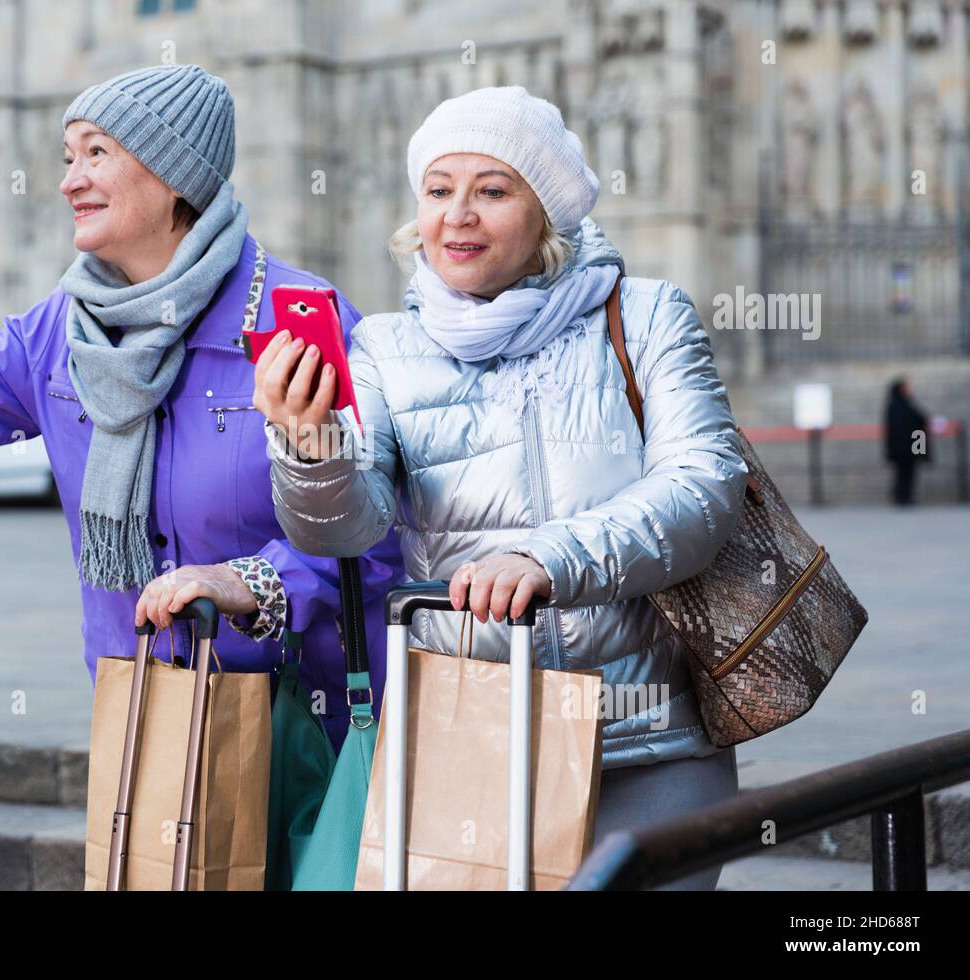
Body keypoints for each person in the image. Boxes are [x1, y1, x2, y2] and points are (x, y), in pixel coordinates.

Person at [0, 63, 402, 752]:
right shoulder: (58, 331)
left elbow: (374, 541)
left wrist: (248, 582)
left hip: (297, 728)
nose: (70, 181)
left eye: (97, 152)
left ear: (174, 171)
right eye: (69, 158)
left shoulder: (297, 320)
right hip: (144, 729)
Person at [254, 86, 749, 889]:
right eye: (439, 189)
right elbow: (345, 529)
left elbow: (703, 490)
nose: (458, 214)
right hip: (472, 739)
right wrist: (310, 452)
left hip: (644, 736)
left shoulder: (649, 316)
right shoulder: (383, 346)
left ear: (547, 212)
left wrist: (547, 558)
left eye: (492, 189)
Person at [883, 377, 932, 506]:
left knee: (908, 473)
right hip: (905, 448)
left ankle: (905, 497)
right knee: (903, 473)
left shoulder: (906, 404)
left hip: (911, 446)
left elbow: (919, 422)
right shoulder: (896, 406)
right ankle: (902, 498)